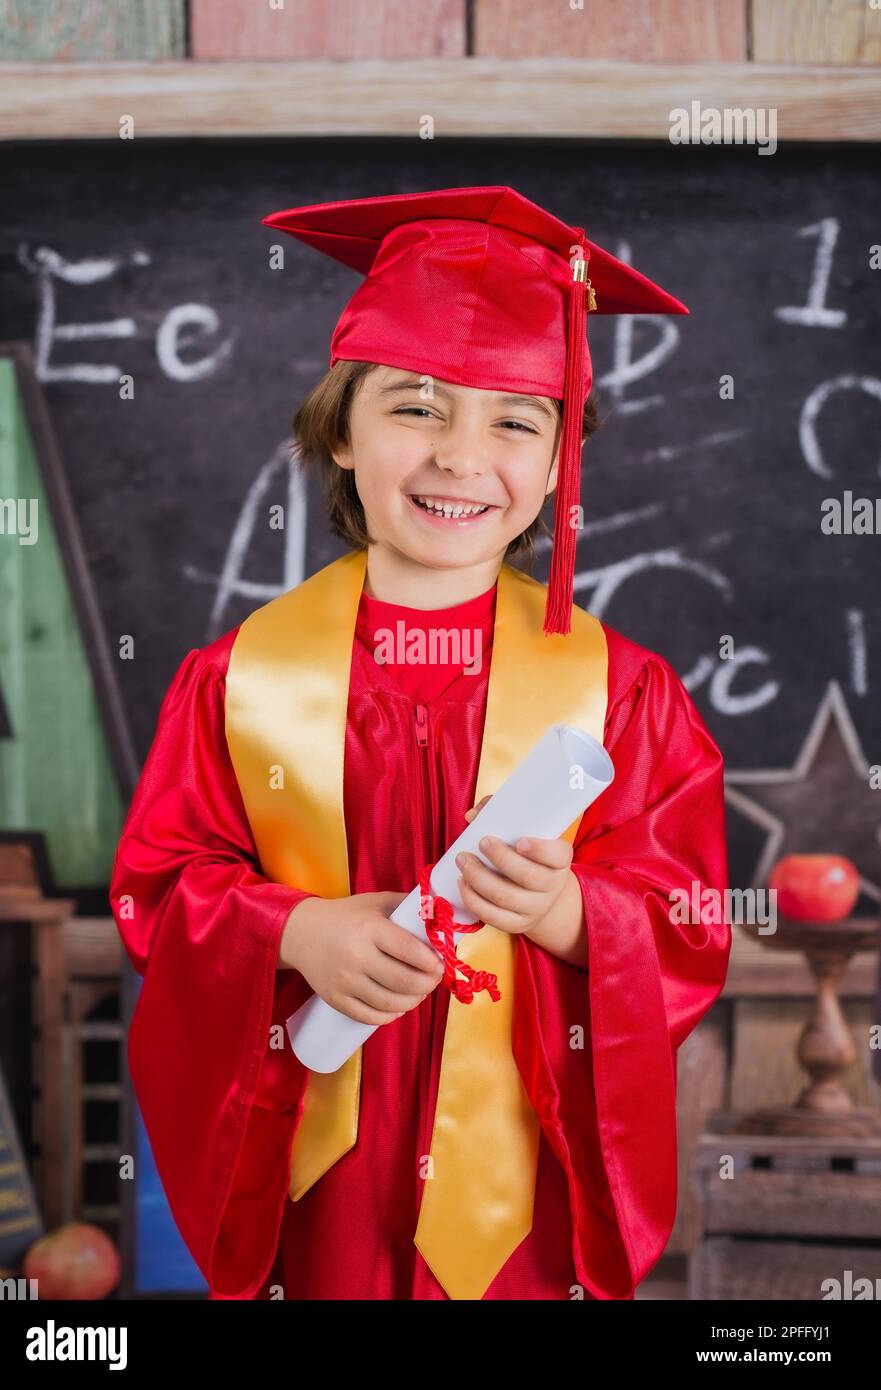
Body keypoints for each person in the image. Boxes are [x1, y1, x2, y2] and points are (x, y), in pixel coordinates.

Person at [110, 185, 731, 1301]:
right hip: (321, 1176)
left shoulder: (623, 695)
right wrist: (294, 928)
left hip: (519, 1188)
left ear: (555, 466)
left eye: (513, 421)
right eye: (415, 407)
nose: (459, 455)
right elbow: (161, 890)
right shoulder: (239, 685)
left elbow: (682, 921)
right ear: (342, 429)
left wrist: (563, 911)